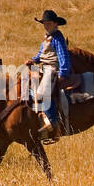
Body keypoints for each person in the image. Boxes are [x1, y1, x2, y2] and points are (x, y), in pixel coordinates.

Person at [25, 9, 72, 142]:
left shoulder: (57, 37)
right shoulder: (46, 38)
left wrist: (63, 72)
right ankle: (39, 115)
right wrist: (33, 60)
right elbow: (41, 55)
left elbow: (63, 55)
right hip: (43, 67)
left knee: (42, 92)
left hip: (52, 68)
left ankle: (52, 122)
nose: (46, 26)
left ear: (55, 24)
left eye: (49, 23)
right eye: (44, 23)